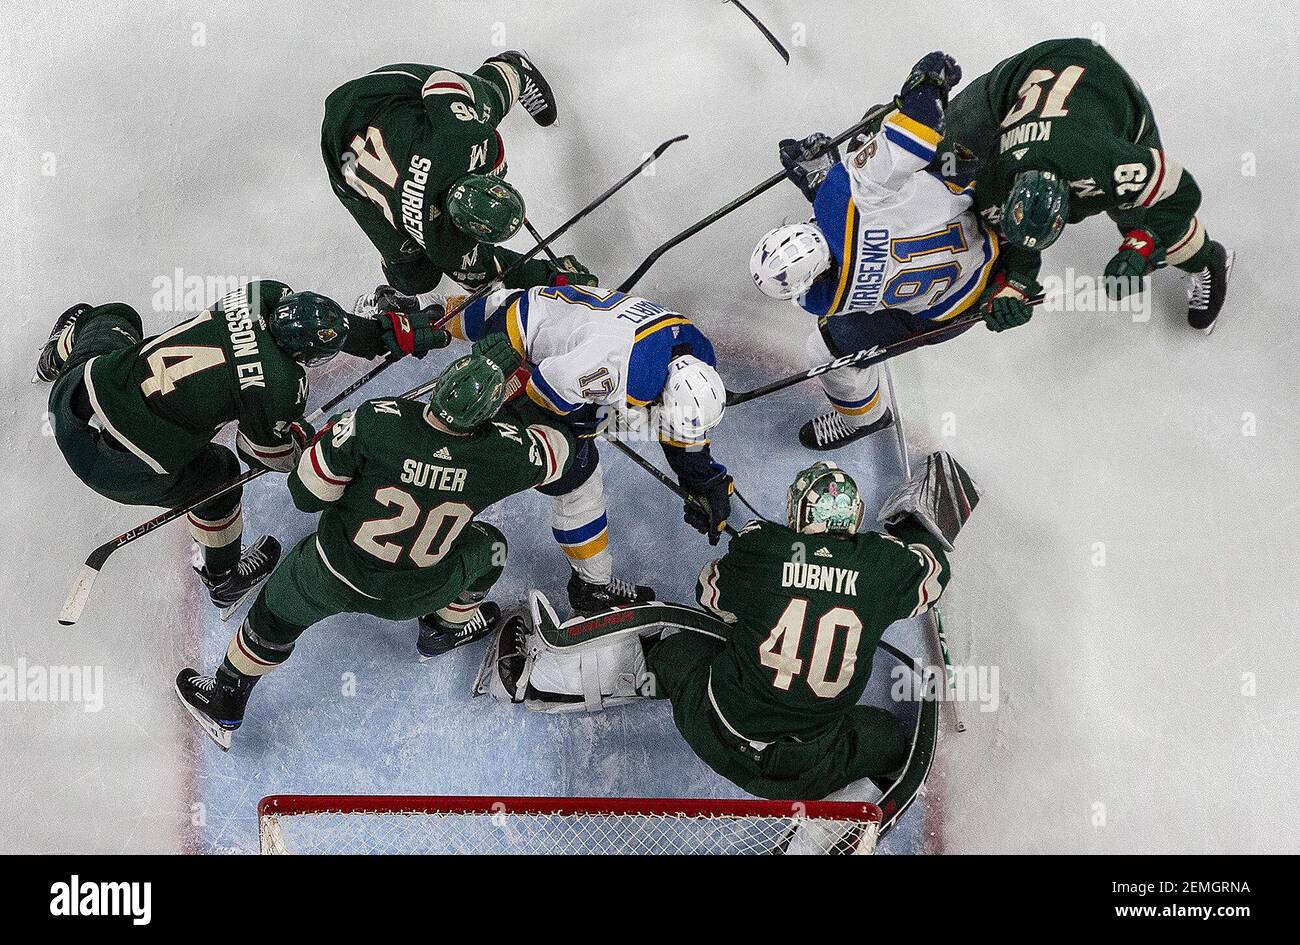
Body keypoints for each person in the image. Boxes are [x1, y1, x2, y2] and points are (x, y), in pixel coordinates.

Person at [482, 454, 978, 801]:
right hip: (806, 765)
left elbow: (710, 596)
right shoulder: (883, 567)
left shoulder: (764, 547)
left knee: (668, 645)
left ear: (796, 514)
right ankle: (827, 831)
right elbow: (934, 576)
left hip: (715, 724)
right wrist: (908, 533)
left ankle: (538, 682)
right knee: (890, 739)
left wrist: (763, 572)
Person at [174, 338, 576, 750]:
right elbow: (562, 452)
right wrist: (532, 397)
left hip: (329, 572)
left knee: (273, 620)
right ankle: (444, 629)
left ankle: (225, 698)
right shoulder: (507, 452)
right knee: (490, 549)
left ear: (438, 389)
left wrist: (323, 444)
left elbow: (306, 495)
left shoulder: (375, 422)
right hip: (418, 591)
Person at [35, 280, 444, 614]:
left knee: (116, 317)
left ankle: (56, 356)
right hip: (111, 465)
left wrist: (377, 336)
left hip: (73, 394)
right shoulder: (281, 385)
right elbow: (262, 454)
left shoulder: (261, 294)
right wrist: (305, 440)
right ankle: (223, 578)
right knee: (221, 478)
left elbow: (280, 333)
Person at [751, 52, 998, 450]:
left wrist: (826, 179)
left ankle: (863, 417)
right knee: (882, 132)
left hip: (961, 303)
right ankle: (1011, 157)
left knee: (826, 348)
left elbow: (852, 238)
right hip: (981, 206)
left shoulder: (830, 298)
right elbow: (915, 137)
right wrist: (927, 82)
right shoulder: (851, 195)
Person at [442, 282, 733, 613]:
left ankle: (429, 314)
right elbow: (546, 388)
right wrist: (587, 426)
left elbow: (676, 422)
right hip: (518, 356)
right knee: (576, 475)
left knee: (470, 315)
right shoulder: (616, 368)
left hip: (534, 307)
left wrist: (704, 480)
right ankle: (592, 586)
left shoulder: (693, 352)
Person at [936, 37, 1233, 332]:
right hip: (1027, 72)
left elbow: (1180, 188)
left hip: (1107, 89)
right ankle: (892, 122)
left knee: (1144, 212)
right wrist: (1012, 284)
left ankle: (1206, 259)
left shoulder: (1105, 164)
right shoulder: (993, 181)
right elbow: (1014, 240)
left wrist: (1142, 245)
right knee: (937, 148)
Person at [321, 52, 595, 308]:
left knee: (414, 279)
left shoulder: (461, 140)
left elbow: (440, 86)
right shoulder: (445, 247)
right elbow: (492, 270)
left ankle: (508, 75)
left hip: (356, 128)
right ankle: (513, 67)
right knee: (415, 277)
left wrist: (551, 277)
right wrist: (552, 277)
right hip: (361, 121)